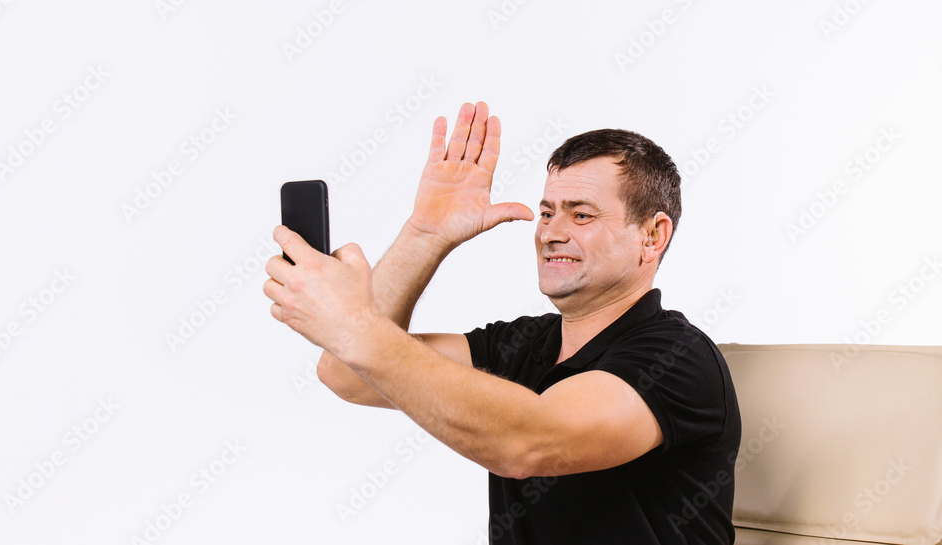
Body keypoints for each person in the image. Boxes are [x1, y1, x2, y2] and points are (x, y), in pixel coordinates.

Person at [263, 101, 741, 544]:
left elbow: (528, 442)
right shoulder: (522, 342)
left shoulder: (678, 358)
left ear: (653, 235)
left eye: (582, 215)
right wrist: (426, 234)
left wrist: (355, 325)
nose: (551, 232)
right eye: (549, 211)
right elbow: (348, 372)